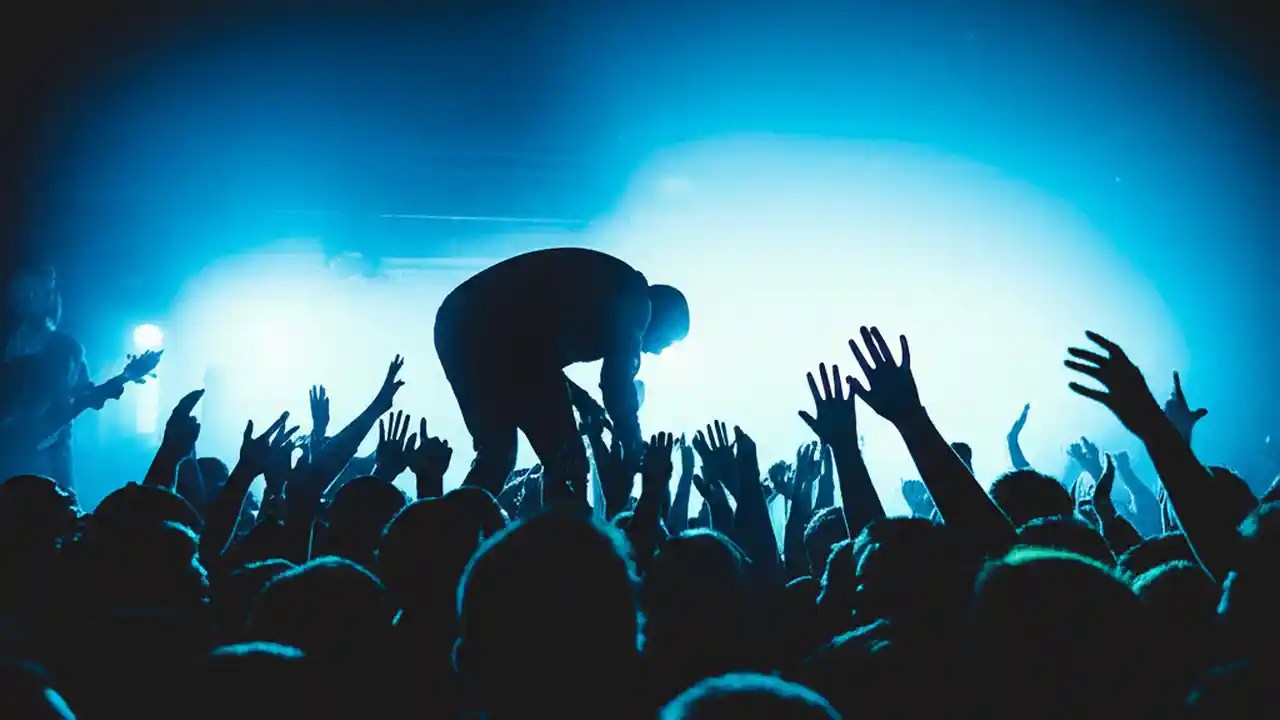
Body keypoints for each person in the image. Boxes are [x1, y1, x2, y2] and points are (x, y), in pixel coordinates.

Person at [434, 248, 689, 494]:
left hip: (464, 325)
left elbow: (536, 355)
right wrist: (632, 441)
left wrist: (581, 400)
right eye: (666, 342)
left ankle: (454, 527)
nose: (655, 352)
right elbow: (616, 382)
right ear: (663, 317)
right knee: (567, 461)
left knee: (497, 452)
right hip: (493, 335)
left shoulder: (613, 288)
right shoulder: (636, 303)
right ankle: (561, 531)